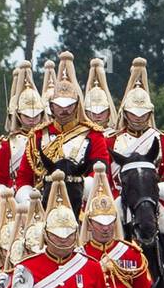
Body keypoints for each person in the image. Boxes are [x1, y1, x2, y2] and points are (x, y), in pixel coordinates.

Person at [14, 51, 111, 212]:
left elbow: (100, 174)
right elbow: (24, 178)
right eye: (59, 105)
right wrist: (31, 203)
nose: (64, 110)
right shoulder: (38, 135)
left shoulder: (93, 135)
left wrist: (76, 186)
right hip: (41, 201)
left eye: (69, 105)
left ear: (77, 105)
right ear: (51, 106)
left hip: (83, 203)